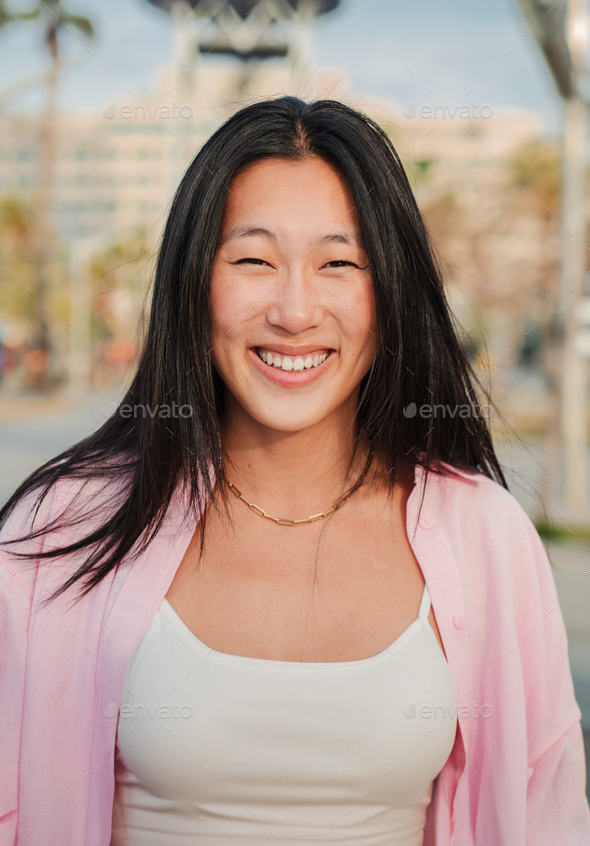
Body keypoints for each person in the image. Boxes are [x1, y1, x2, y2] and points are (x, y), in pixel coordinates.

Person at [1, 96, 588, 846]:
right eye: (253, 260)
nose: (295, 309)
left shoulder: (486, 536)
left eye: (339, 263)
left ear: (390, 292)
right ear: (194, 281)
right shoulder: (61, 530)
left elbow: (547, 818)